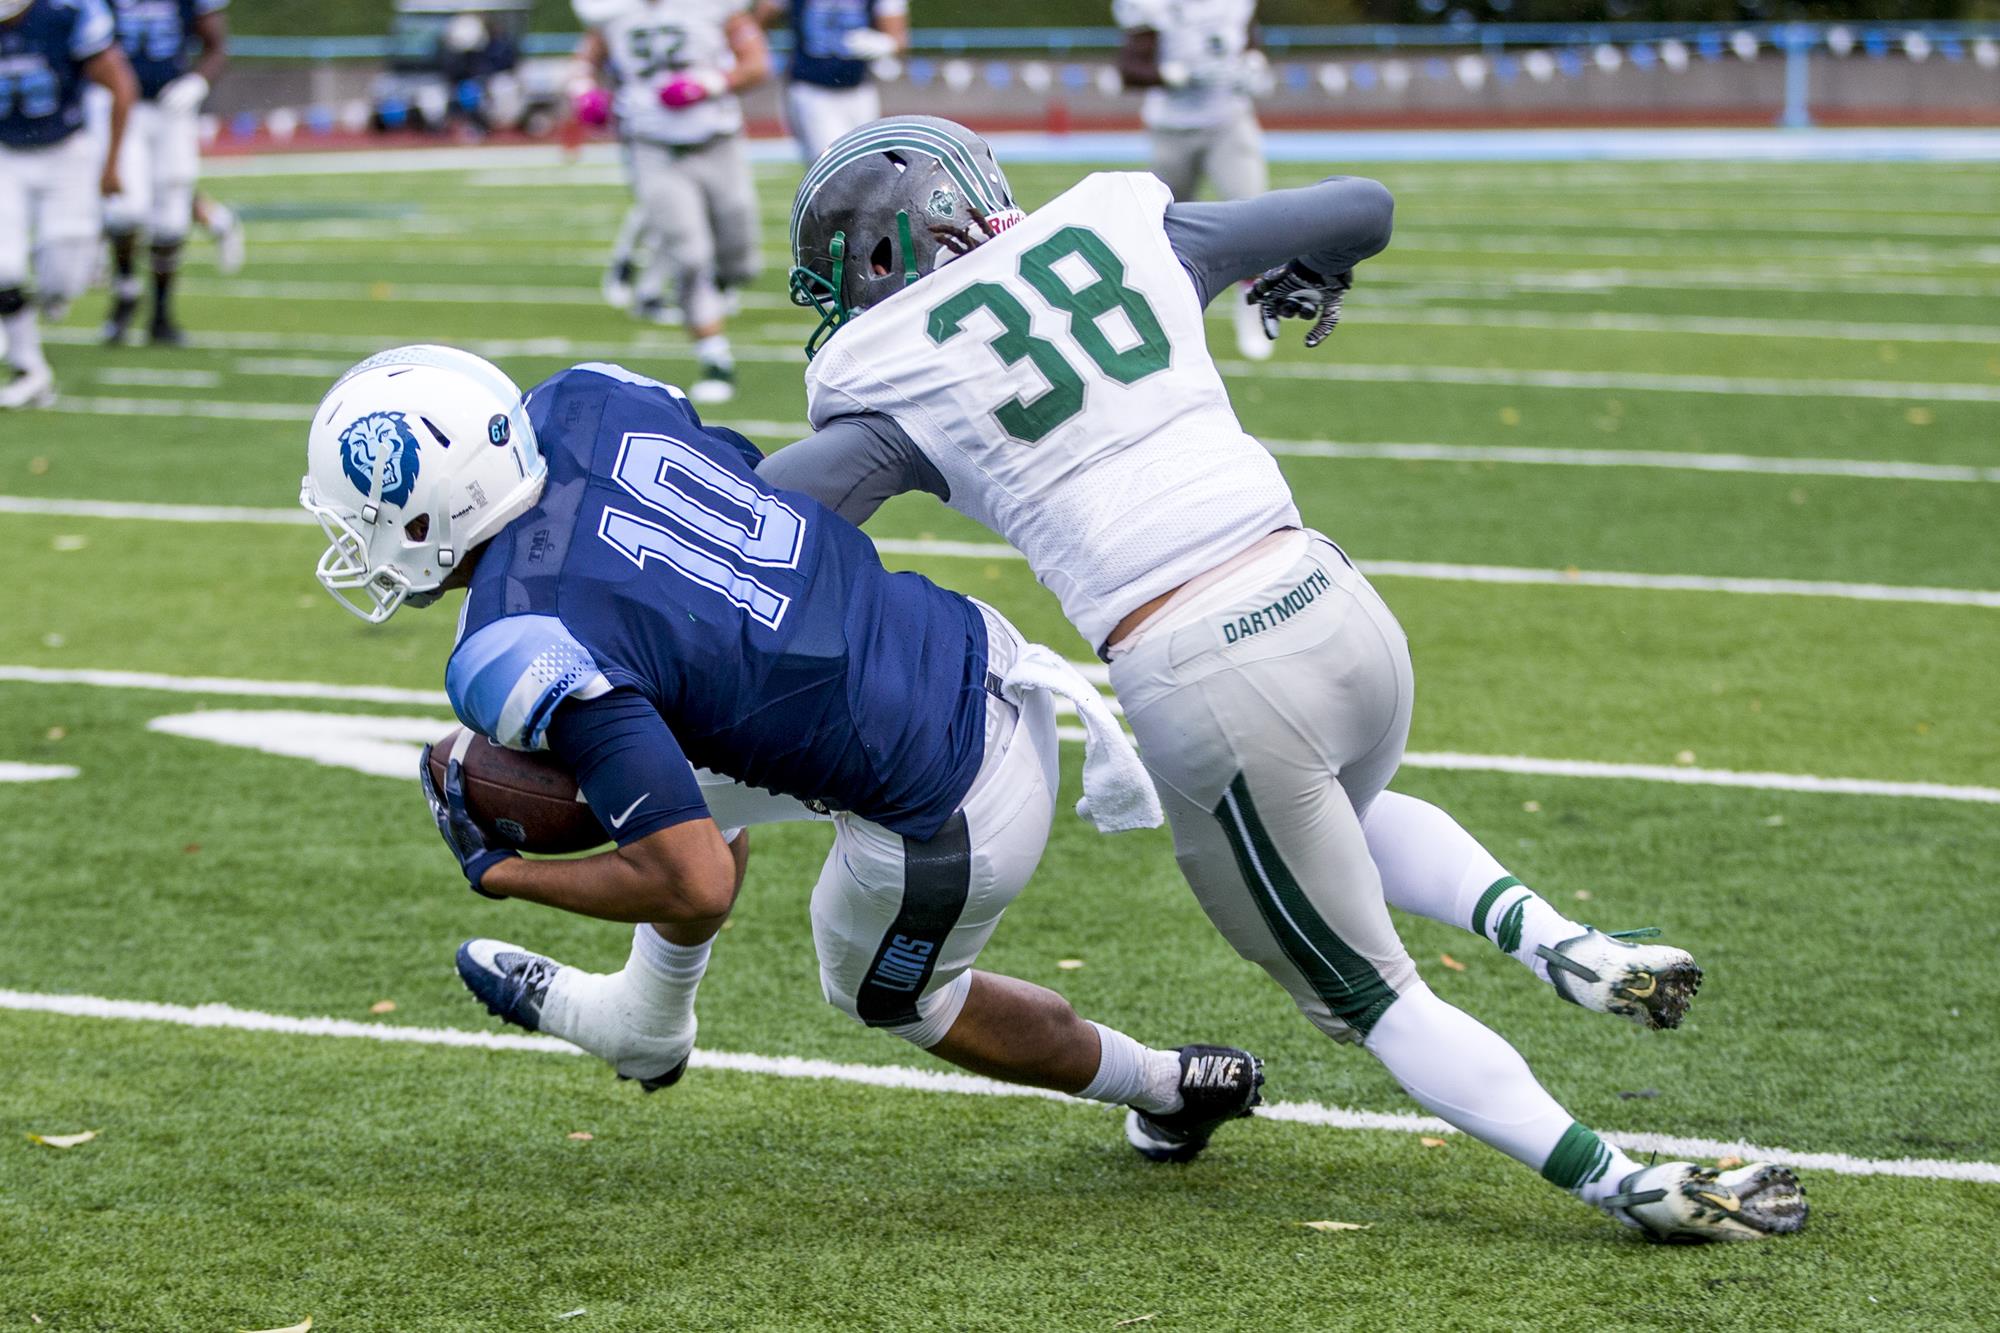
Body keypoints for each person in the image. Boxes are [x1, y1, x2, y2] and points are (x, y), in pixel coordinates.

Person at [762, 116, 1808, 1241]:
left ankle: (1631, 1184)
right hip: (1330, 596)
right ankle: (1560, 942)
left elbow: (770, 512)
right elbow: (1363, 202)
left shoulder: (887, 372)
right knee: (1341, 816)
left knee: (1374, 997)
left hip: (1203, 667)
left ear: (880, 262)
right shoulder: (1120, 229)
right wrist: (1307, 269)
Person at [298, 345, 1267, 1163]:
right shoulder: (583, 399)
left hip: (952, 803)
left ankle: (1164, 1083)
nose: (358, 543)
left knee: (891, 996)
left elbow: (694, 885)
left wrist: (500, 869)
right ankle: (646, 1023)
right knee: (675, 743)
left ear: (429, 518)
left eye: (369, 519)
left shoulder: (514, 638)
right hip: (964, 643)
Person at [570, 0, 769, 402]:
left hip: (717, 141)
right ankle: (715, 357)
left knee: (741, 256)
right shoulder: (611, 12)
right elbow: (582, 64)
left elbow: (757, 63)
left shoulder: (715, 8)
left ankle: (718, 288)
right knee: (689, 254)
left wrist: (706, 85)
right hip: (652, 147)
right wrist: (584, 93)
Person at [1114, 0, 1274, 363]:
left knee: (1253, 214)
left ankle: (1252, 307)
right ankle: (1160, 318)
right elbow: (1129, 68)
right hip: (1172, 128)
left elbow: (1247, 36)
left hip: (1229, 121)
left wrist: (1254, 62)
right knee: (1162, 231)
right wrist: (1171, 75)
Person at [0, 0, 134, 410]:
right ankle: (29, 367)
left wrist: (111, 163)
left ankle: (62, 268)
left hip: (65, 151)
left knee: (61, 281)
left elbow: (121, 85)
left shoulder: (68, 13)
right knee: (4, 265)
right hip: (5, 152)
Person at [98, 0, 227, 346]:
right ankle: (126, 287)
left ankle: (161, 314)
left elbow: (216, 42)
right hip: (121, 106)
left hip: (172, 108)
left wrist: (198, 81)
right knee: (126, 209)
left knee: (171, 217)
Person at [755, 0, 906, 163]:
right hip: (812, 90)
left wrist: (884, 44)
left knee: (872, 164)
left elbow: (898, 38)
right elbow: (759, 21)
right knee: (835, 165)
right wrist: (757, 53)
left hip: (859, 90)